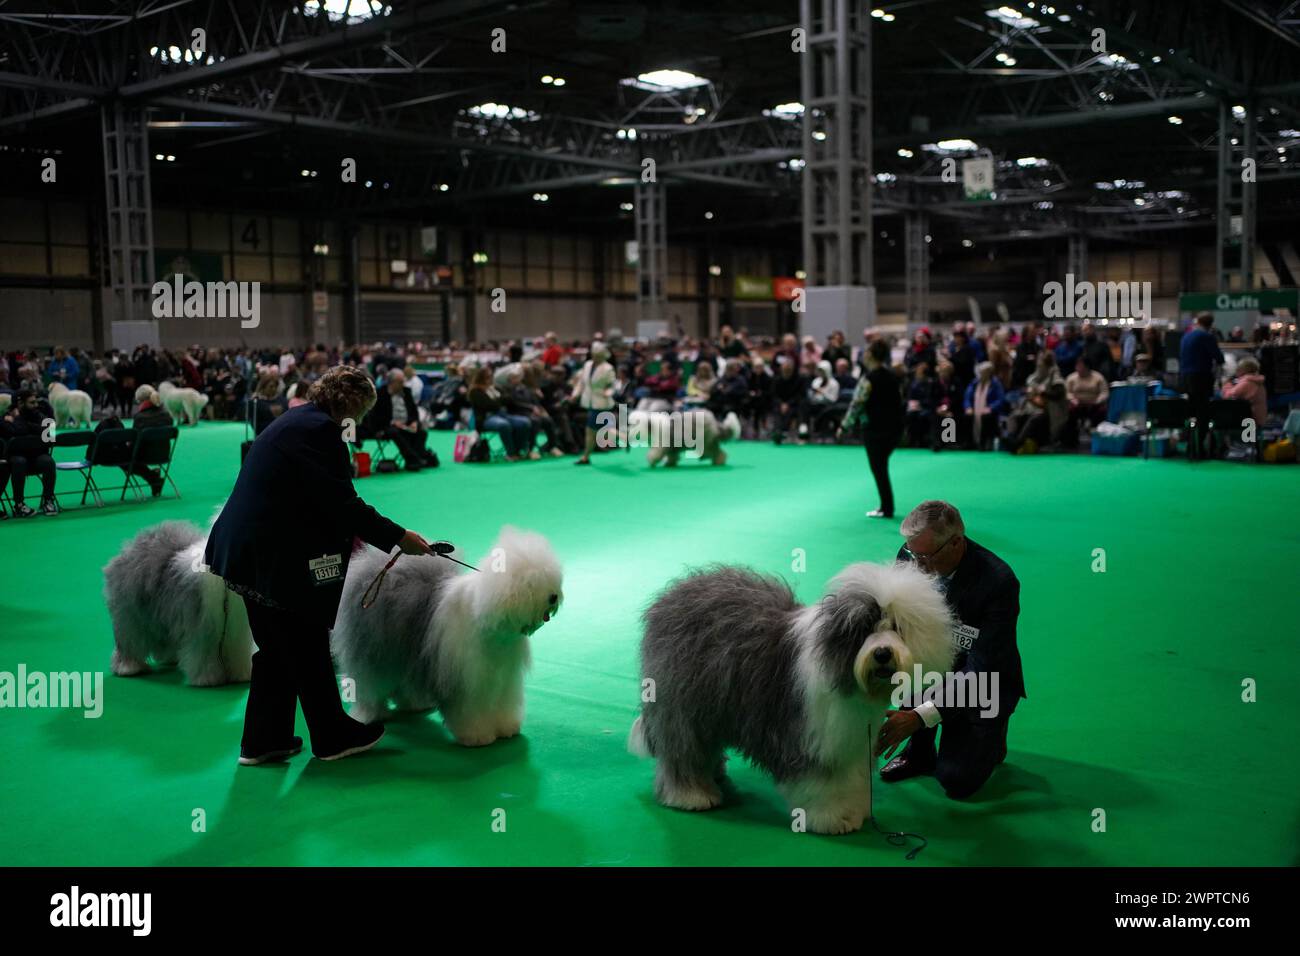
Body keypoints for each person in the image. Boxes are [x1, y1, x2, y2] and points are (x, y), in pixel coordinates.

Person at [205, 365, 435, 765]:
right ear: (351, 406)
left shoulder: (297, 419)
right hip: (266, 555)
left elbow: (316, 498)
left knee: (277, 648)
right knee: (307, 642)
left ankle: (263, 740)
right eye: (362, 412)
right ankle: (332, 736)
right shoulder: (320, 432)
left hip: (245, 550)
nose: (362, 421)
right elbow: (341, 503)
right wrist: (400, 538)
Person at [877, 500, 1025, 799]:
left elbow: (982, 670)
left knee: (957, 780)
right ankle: (919, 752)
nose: (915, 565)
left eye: (924, 556)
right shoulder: (910, 558)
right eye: (910, 553)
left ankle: (991, 735)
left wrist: (918, 716)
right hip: (929, 670)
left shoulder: (998, 582)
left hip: (984, 681)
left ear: (956, 542)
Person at [839, 339, 903, 519]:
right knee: (881, 467)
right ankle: (886, 506)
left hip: (874, 430)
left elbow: (856, 404)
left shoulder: (867, 379)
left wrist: (844, 426)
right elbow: (899, 402)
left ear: (871, 355)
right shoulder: (892, 377)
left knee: (879, 468)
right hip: (894, 429)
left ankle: (886, 508)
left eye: (866, 352)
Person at [372, 369, 439, 471]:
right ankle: (413, 460)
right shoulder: (380, 393)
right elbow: (376, 416)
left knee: (421, 433)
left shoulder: (407, 391)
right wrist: (393, 422)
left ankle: (417, 458)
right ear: (392, 382)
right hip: (387, 426)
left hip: (406, 425)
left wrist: (414, 422)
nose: (403, 384)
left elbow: (414, 411)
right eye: (400, 382)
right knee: (395, 432)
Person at [467, 365, 535, 462]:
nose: (490, 378)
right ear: (481, 377)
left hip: (502, 414)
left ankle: (518, 450)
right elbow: (489, 405)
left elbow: (508, 399)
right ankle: (510, 454)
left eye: (491, 376)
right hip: (486, 418)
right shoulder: (475, 391)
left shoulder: (495, 387)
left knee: (525, 422)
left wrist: (498, 401)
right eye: (488, 376)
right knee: (503, 425)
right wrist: (500, 401)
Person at [1180, 311, 1224, 457]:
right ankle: (1200, 447)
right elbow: (1219, 358)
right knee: (1203, 413)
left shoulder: (1186, 336)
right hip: (1201, 379)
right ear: (1211, 324)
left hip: (1185, 379)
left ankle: (1189, 444)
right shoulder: (1207, 336)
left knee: (1189, 411)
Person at [572, 341, 616, 466]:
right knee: (600, 430)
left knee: (590, 430)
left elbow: (612, 385)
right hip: (589, 401)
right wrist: (575, 395)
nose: (595, 356)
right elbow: (582, 383)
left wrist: (608, 392)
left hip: (601, 402)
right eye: (593, 354)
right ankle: (625, 436)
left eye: (597, 354)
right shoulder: (587, 365)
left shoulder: (608, 368)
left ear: (603, 355)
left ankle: (585, 457)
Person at [963, 361, 1006, 450]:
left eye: (984, 372)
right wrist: (968, 407)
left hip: (990, 411)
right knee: (967, 416)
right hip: (975, 409)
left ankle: (984, 443)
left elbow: (1000, 400)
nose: (981, 374)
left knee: (986, 417)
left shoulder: (995, 384)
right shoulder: (974, 383)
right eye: (981, 372)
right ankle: (969, 442)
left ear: (989, 373)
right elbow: (967, 397)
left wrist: (990, 408)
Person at [1221, 355, 1268, 429]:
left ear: (1244, 370)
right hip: (1258, 418)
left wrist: (1227, 385)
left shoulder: (1248, 383)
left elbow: (1228, 396)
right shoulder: (1256, 381)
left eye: (1238, 368)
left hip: (1250, 420)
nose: (1236, 371)